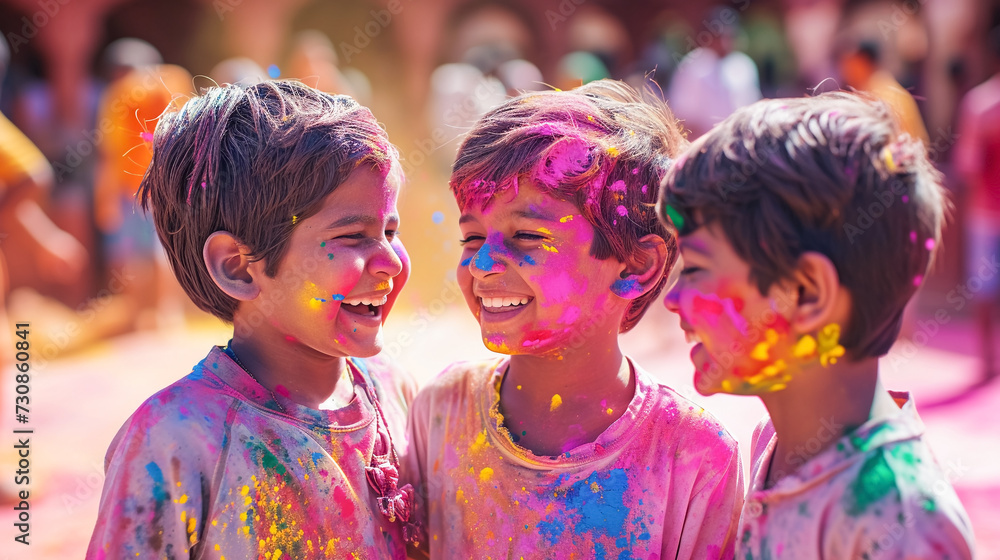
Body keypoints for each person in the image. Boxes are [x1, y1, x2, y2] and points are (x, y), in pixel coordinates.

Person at [404, 80, 743, 559]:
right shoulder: (442, 410)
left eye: (526, 235)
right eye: (472, 238)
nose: (481, 264)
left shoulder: (694, 456)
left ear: (635, 266)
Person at [87, 81, 419, 559]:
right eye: (353, 235)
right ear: (238, 267)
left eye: (391, 229)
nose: (389, 261)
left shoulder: (395, 391)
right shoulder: (175, 439)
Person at [659, 91, 976, 559]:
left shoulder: (899, 519)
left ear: (806, 293)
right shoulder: (776, 443)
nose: (672, 300)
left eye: (695, 269)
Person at [953, 26, 1000, 382]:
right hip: (985, 213)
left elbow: (967, 166)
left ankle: (988, 360)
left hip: (985, 213)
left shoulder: (980, 104)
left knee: (985, 290)